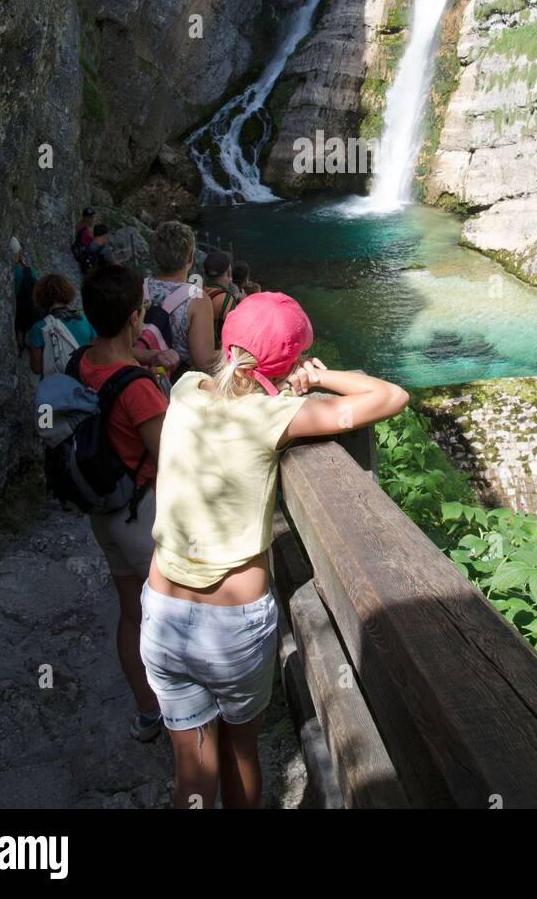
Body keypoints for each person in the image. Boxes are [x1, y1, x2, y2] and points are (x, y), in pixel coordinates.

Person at [140, 291, 408, 808]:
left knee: (192, 775)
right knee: (242, 753)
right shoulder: (275, 417)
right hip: (231, 625)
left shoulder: (185, 389)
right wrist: (318, 377)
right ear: (286, 364)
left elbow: (223, 385)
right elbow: (388, 396)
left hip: (165, 613)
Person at [78, 264, 170, 741]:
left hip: (102, 511)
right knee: (172, 611)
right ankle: (187, 716)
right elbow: (171, 458)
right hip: (144, 515)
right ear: (136, 317)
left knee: (131, 611)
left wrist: (149, 360)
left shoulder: (79, 362)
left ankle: (146, 710)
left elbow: (113, 356)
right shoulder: (138, 390)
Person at [143, 221, 215, 377]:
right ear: (190, 257)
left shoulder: (139, 287)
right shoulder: (198, 299)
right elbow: (204, 362)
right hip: (175, 385)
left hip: (141, 376)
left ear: (155, 255)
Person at [26, 274, 96, 377]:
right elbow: (95, 351)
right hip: (83, 381)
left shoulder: (38, 328)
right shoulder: (86, 318)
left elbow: (36, 368)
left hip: (55, 386)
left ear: (41, 297)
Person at [203, 248, 241, 341]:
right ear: (229, 273)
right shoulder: (226, 299)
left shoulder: (198, 291)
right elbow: (236, 332)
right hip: (216, 350)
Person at [12, 237, 41, 353]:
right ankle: (26, 341)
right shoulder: (29, 271)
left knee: (19, 326)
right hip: (30, 308)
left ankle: (19, 343)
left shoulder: (10, 272)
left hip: (17, 309)